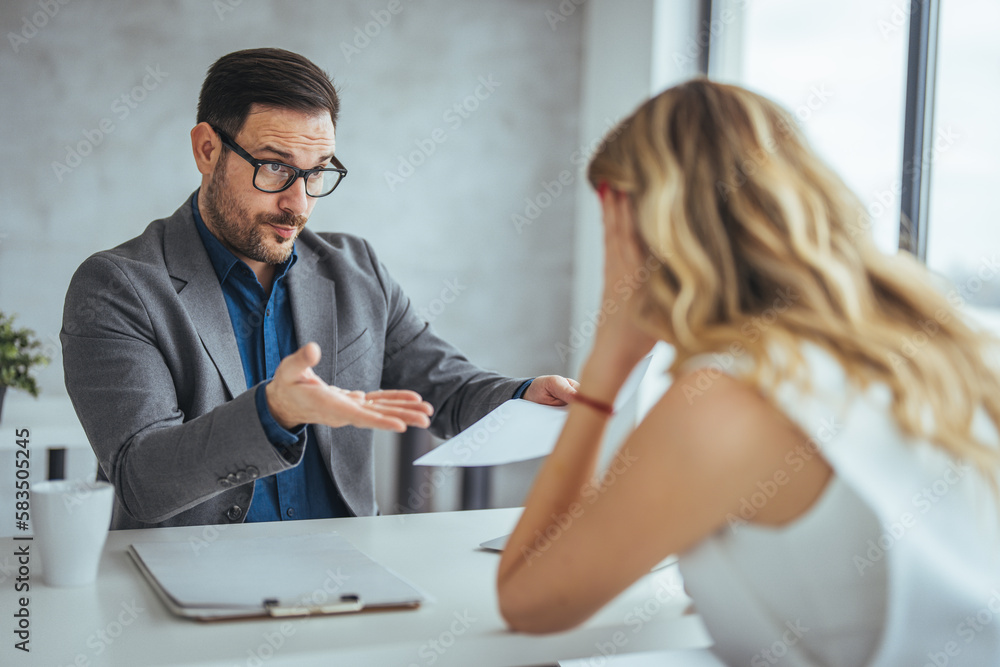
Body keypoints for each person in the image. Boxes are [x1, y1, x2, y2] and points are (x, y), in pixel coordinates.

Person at [497, 79, 1000, 666]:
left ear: (632, 227)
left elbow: (527, 601)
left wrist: (607, 361)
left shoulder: (729, 399)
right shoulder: (949, 344)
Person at [60, 47, 577, 530]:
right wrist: (272, 413)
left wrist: (524, 396)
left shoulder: (356, 270)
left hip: (348, 567)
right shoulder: (117, 287)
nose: (299, 204)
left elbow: (448, 389)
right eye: (275, 167)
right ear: (207, 149)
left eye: (317, 172)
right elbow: (142, 480)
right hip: (186, 580)